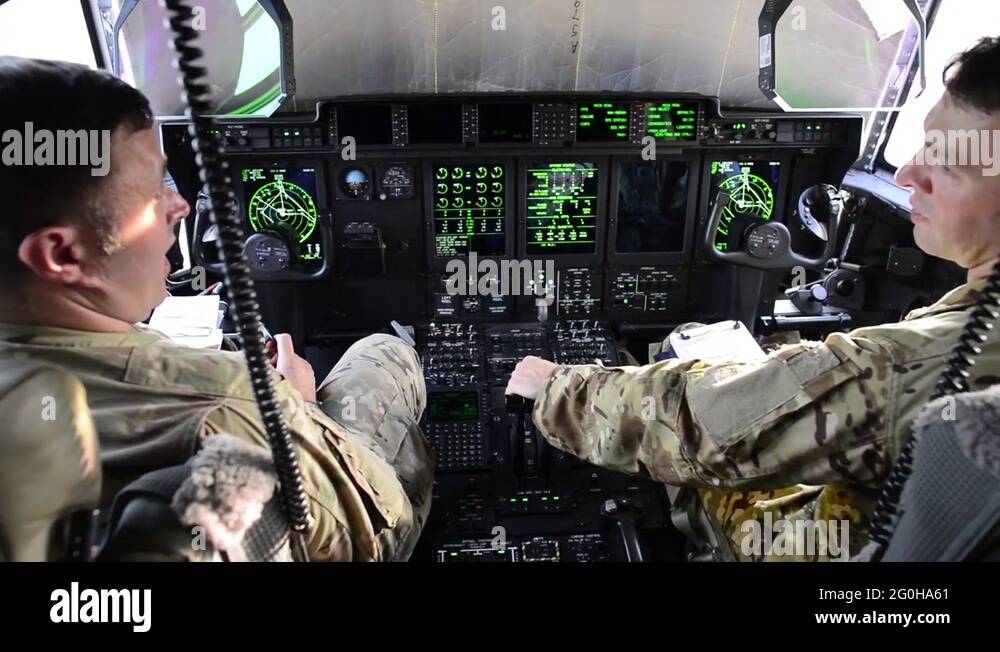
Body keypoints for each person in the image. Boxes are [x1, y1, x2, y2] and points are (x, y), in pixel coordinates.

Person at [506, 37, 1000, 561]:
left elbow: (708, 428)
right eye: (925, 144)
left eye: (947, 164)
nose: (907, 175)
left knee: (695, 425)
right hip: (873, 525)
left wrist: (559, 388)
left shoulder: (918, 363)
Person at [0, 56, 433, 561]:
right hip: (343, 526)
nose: (179, 206)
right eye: (148, 194)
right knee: (385, 353)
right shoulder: (231, 403)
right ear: (62, 255)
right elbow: (362, 536)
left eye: (169, 182)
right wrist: (302, 409)